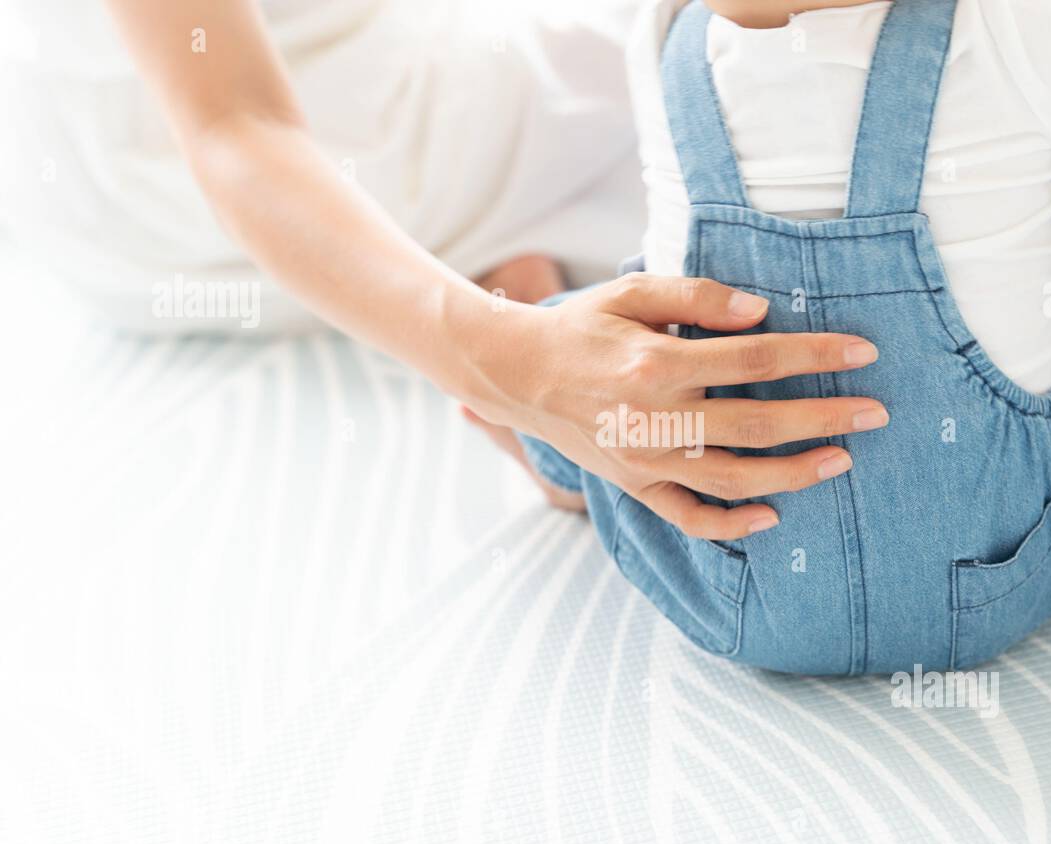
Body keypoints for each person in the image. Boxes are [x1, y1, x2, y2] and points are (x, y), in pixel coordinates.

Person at [511, 0, 1051, 675]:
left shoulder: (658, 44)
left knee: (597, 343)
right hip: (1014, 568)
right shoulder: (1006, 34)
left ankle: (545, 447)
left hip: (724, 589)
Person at [0, 0, 888, 541]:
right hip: (202, 159)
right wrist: (510, 363)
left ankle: (522, 269)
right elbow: (234, 127)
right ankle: (514, 299)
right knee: (746, 85)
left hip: (365, 57)